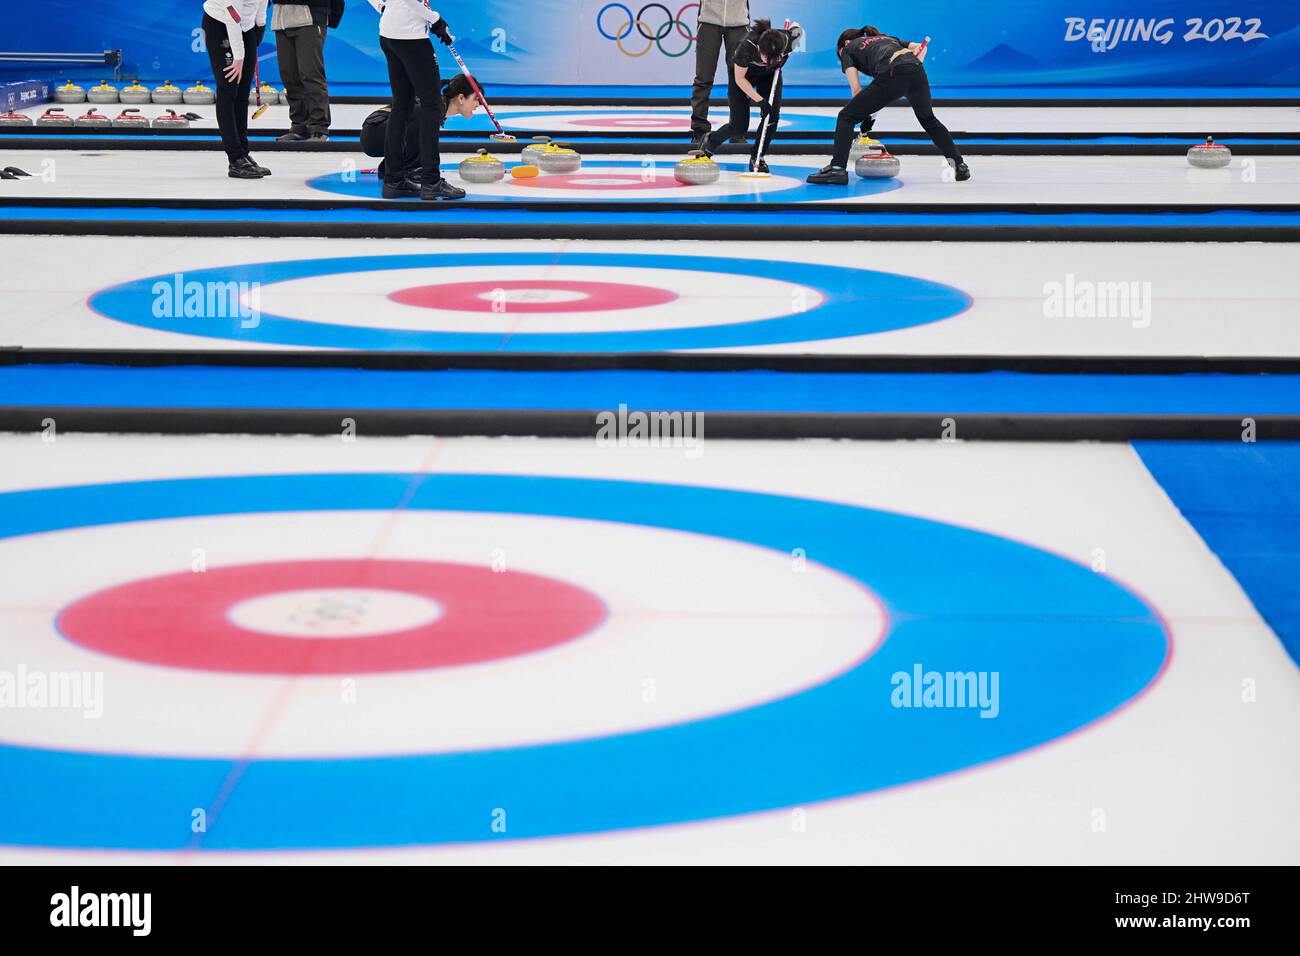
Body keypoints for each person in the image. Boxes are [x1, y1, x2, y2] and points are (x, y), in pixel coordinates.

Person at [807, 25, 970, 185]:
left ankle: (837, 169)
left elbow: (856, 91)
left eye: (840, 54)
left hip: (892, 72)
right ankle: (960, 165)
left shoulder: (849, 49)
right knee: (928, 119)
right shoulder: (887, 38)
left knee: (846, 117)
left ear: (847, 42)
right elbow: (920, 47)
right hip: (916, 71)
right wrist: (913, 65)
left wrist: (865, 114)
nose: (842, 58)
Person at [364, 0, 465, 200]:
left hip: (389, 33)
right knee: (432, 105)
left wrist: (383, 7)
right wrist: (435, 19)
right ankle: (431, 181)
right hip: (410, 38)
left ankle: (393, 180)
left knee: (402, 105)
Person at [698, 19, 800, 175]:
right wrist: (760, 100)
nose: (773, 61)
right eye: (769, 58)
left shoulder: (787, 41)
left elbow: (797, 28)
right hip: (742, 76)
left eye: (777, 58)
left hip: (768, 76)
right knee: (739, 126)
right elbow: (740, 79)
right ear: (759, 49)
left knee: (772, 117)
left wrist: (795, 28)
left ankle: (757, 156)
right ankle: (710, 140)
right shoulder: (746, 47)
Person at [360, 74, 483, 183]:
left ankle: (391, 169)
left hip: (378, 132)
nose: (478, 104)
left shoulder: (438, 106)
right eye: (476, 99)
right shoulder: (435, 106)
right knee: (422, 118)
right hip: (374, 132)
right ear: (461, 98)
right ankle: (411, 171)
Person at [201, 0, 271, 179]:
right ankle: (235, 158)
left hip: (246, 26)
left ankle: (244, 153)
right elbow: (232, 16)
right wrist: (238, 57)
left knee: (241, 93)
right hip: (221, 24)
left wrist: (260, 26)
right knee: (228, 90)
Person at [273, 0, 342, 143]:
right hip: (281, 20)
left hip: (310, 18)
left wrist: (330, 16)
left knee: (311, 74)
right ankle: (299, 126)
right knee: (289, 76)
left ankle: (319, 128)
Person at [689, 0, 751, 149]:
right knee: (703, 78)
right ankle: (699, 130)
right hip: (709, 21)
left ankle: (738, 130)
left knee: (740, 79)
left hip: (739, 22)